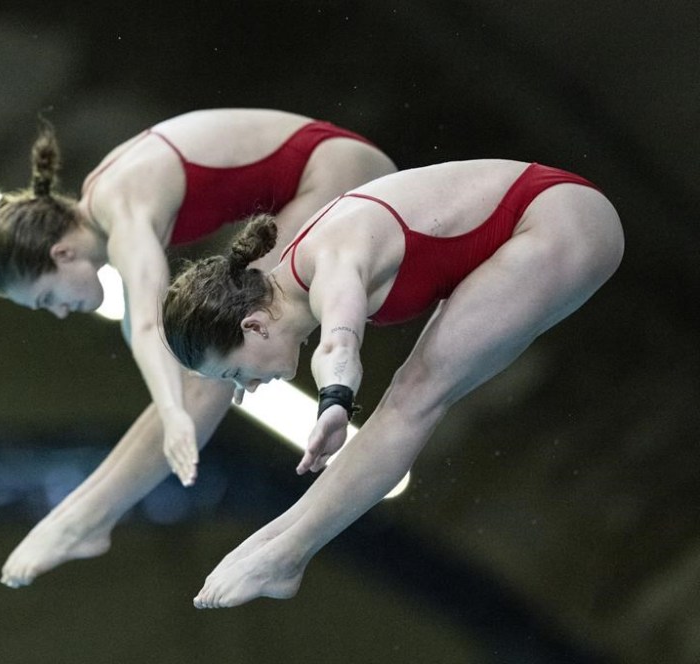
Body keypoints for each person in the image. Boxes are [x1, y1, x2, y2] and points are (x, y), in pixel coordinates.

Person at [161, 159, 624, 608]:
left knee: (414, 396)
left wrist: (335, 402)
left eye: (235, 374)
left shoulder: (332, 259)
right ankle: (274, 540)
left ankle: (287, 554)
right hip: (541, 216)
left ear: (255, 326)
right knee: (409, 396)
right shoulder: (299, 273)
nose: (251, 387)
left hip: (559, 218)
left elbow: (340, 346)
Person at [0, 108, 397, 588]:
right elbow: (145, 326)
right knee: (203, 361)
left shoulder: (122, 204)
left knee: (204, 368)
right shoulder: (110, 199)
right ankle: (81, 512)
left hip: (338, 171)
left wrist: (176, 410)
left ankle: (85, 519)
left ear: (62, 253)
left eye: (48, 297)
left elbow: (146, 327)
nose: (58, 312)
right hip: (329, 167)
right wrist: (170, 406)